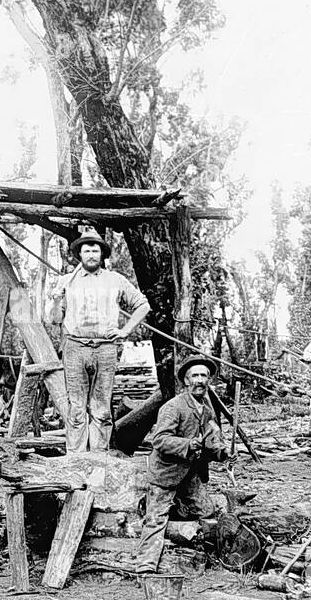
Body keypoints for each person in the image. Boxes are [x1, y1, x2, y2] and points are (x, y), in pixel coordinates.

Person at [50, 228, 150, 452]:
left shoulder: (115, 280)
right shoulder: (67, 281)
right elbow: (55, 319)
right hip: (75, 346)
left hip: (105, 348)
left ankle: (98, 460)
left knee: (102, 408)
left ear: (102, 254)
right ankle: (75, 460)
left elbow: (143, 305)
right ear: (80, 255)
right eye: (87, 250)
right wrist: (57, 299)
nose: (92, 255)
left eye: (96, 250)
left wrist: (125, 331)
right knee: (76, 407)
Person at [135, 356, 229, 575]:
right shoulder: (173, 407)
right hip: (166, 473)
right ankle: (145, 567)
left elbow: (212, 439)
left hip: (190, 473)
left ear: (209, 380)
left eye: (204, 376)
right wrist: (187, 444)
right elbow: (160, 440)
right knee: (156, 520)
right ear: (186, 381)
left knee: (207, 513)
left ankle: (205, 554)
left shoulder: (207, 408)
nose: (199, 380)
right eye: (194, 376)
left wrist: (222, 452)